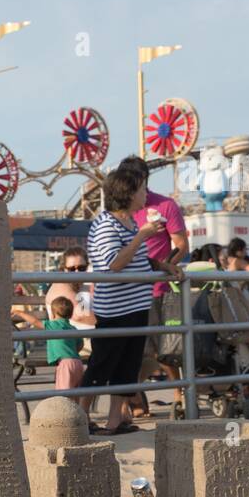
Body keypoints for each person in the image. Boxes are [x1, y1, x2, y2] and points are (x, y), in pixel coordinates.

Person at [80, 168, 179, 434]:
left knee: (127, 367)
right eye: (141, 188)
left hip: (136, 306)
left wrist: (162, 265)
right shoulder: (106, 224)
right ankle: (78, 418)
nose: (146, 193)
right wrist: (142, 236)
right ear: (128, 193)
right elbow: (115, 263)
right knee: (101, 366)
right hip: (114, 310)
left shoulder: (131, 223)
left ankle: (114, 422)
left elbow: (135, 260)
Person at [120, 155, 188, 420]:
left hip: (158, 290)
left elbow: (181, 245)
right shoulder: (120, 210)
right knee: (133, 351)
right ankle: (131, 401)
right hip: (125, 290)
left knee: (166, 350)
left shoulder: (166, 205)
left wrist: (164, 267)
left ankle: (179, 394)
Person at [15, 295, 85, 390]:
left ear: (53, 314)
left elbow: (35, 322)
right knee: (76, 394)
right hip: (78, 363)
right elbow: (80, 344)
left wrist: (20, 312)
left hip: (65, 364)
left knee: (63, 396)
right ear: (70, 314)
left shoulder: (53, 325)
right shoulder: (72, 328)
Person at [45, 246, 97, 329]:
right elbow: (79, 315)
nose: (77, 272)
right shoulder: (61, 285)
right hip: (69, 339)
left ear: (87, 267)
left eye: (81, 268)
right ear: (64, 269)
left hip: (88, 336)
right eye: (72, 269)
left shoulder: (84, 286)